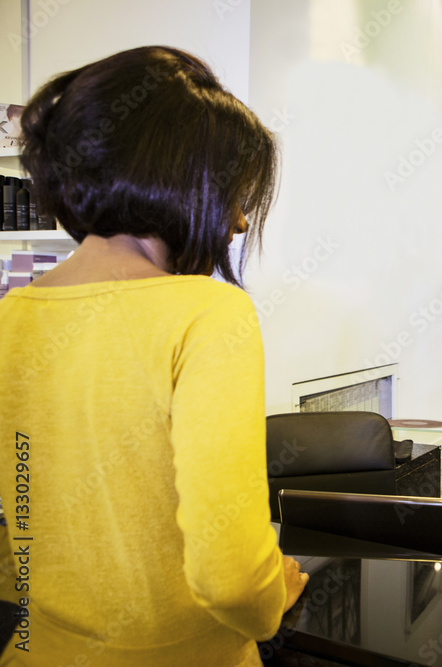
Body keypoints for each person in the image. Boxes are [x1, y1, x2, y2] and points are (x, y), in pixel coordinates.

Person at [0, 46, 307, 666]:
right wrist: (273, 593)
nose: (240, 223)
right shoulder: (208, 313)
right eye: (232, 195)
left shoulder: (11, 318)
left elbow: (16, 541)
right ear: (176, 181)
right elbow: (232, 578)